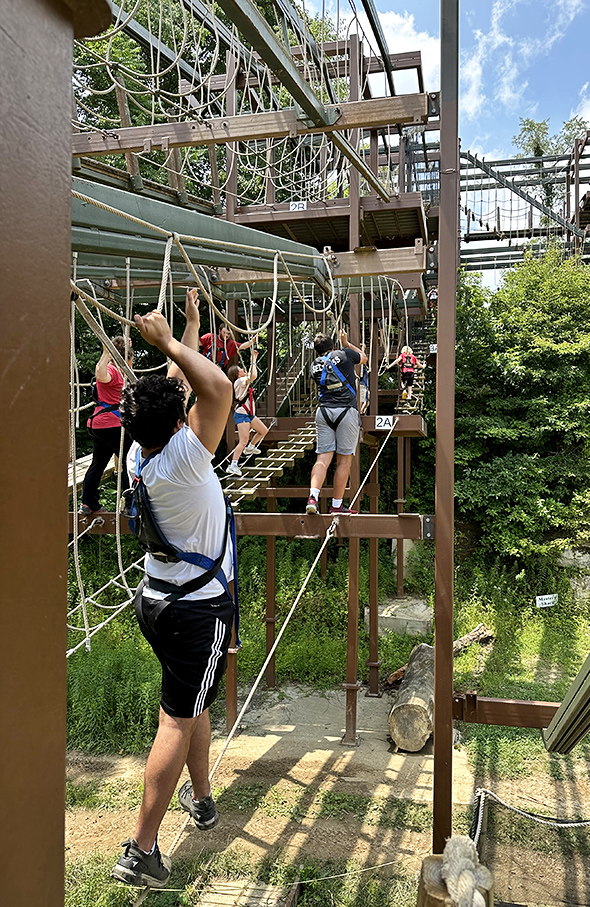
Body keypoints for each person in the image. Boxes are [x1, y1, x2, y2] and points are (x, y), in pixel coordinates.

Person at [111, 289, 235, 889]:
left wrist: (183, 328)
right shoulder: (188, 455)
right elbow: (218, 390)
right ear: (179, 423)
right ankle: (141, 850)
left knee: (191, 705)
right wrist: (167, 340)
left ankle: (203, 796)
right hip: (196, 609)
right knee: (176, 722)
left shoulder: (142, 452)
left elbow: (171, 389)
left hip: (158, 599)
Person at [306, 328, 367, 516]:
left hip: (324, 412)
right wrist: (347, 343)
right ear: (333, 346)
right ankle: (336, 505)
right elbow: (363, 358)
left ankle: (313, 497)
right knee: (344, 461)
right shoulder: (345, 353)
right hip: (346, 410)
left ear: (317, 351)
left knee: (322, 459)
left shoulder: (314, 365)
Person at [79, 336, 134, 515]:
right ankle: (129, 504)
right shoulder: (113, 370)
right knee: (128, 462)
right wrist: (106, 353)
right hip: (113, 425)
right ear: (127, 359)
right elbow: (101, 374)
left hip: (100, 427)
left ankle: (88, 503)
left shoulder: (123, 372)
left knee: (98, 463)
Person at [225, 349, 270, 478]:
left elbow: (251, 376)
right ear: (237, 373)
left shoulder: (241, 382)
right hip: (242, 414)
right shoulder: (239, 381)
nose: (242, 369)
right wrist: (253, 361)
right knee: (243, 441)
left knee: (263, 430)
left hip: (249, 414)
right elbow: (253, 376)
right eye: (240, 369)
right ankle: (233, 464)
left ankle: (251, 447)